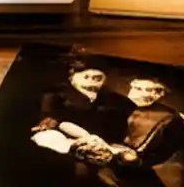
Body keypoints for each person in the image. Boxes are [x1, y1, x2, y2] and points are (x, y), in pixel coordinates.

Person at [30, 58, 135, 186]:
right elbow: (48, 128)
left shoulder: (117, 103)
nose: (92, 83)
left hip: (105, 152)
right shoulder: (53, 97)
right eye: (87, 77)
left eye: (97, 78)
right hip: (64, 155)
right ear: (72, 77)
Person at [91, 77, 184, 187]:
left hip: (136, 169)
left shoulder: (169, 117)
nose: (146, 95)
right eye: (139, 89)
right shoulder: (110, 106)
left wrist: (138, 161)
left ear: (162, 94)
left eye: (155, 91)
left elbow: (167, 149)